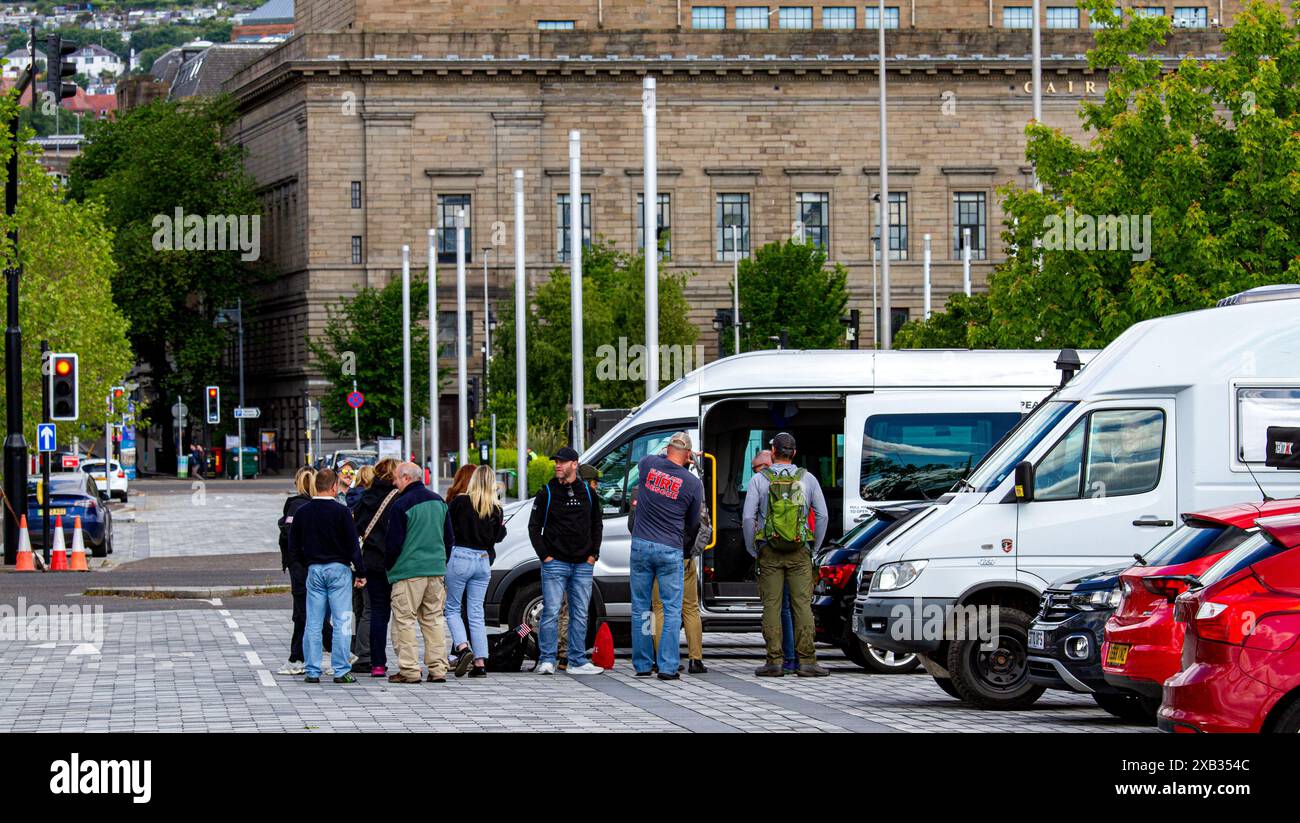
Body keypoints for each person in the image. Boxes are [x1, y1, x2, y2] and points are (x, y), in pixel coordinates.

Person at [743, 432, 830, 678]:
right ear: (793, 452)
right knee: (802, 605)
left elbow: (749, 517)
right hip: (799, 549)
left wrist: (753, 548)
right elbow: (822, 515)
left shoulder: (760, 480)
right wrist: (813, 546)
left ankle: (774, 661)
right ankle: (807, 661)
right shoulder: (808, 478)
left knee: (772, 605)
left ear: (773, 452)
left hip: (769, 550)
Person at [629, 432, 703, 680]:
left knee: (642, 607)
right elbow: (693, 523)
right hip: (670, 548)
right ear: (689, 455)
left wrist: (672, 453)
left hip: (640, 546)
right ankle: (668, 667)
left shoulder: (649, 465)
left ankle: (642, 664)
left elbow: (657, 455)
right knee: (671, 610)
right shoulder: (692, 483)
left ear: (668, 448)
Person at [527, 446, 604, 676]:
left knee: (580, 613)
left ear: (574, 464)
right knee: (551, 612)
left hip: (582, 564)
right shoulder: (547, 492)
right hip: (555, 563)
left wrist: (593, 554)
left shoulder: (588, 493)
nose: (557, 465)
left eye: (562, 462)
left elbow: (597, 524)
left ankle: (577, 660)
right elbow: (534, 527)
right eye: (556, 462)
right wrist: (546, 557)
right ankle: (547, 659)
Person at [286, 468, 367, 684]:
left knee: (313, 621)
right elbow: (353, 546)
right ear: (333, 487)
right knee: (342, 621)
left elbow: (292, 546)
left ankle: (312, 670)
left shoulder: (303, 512)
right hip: (339, 570)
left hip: (314, 570)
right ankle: (341, 670)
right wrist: (360, 571)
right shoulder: (342, 512)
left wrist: (305, 564)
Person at [384, 461, 455, 684]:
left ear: (406, 478)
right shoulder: (438, 501)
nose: (394, 483)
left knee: (404, 621)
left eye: (396, 478)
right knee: (433, 619)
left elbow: (393, 543)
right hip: (435, 571)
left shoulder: (401, 504)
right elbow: (449, 539)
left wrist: (390, 566)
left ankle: (409, 670)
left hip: (408, 572)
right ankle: (438, 668)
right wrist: (440, 561)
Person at [444, 464, 507, 677]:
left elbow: (447, 529)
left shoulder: (460, 502)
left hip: (461, 555)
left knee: (452, 608)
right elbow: (498, 537)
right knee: (476, 612)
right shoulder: (496, 509)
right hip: (483, 560)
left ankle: (463, 648)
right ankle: (480, 662)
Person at [648, 485, 711, 674]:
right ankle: (695, 660)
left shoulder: (652, 486)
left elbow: (634, 522)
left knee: (659, 607)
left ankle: (662, 659)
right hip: (683, 556)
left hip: (659, 554)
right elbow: (702, 523)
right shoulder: (690, 487)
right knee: (690, 608)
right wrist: (693, 549)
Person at [278, 467, 332, 675]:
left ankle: (298, 657)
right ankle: (337, 649)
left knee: (303, 612)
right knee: (311, 612)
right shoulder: (321, 505)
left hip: (301, 568)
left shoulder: (296, 506)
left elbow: (290, 537)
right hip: (321, 564)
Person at [351, 458, 401, 677]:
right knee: (402, 613)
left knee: (375, 611)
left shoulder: (366, 497)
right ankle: (406, 661)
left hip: (371, 561)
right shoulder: (399, 499)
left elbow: (357, 528)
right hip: (396, 562)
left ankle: (375, 662)